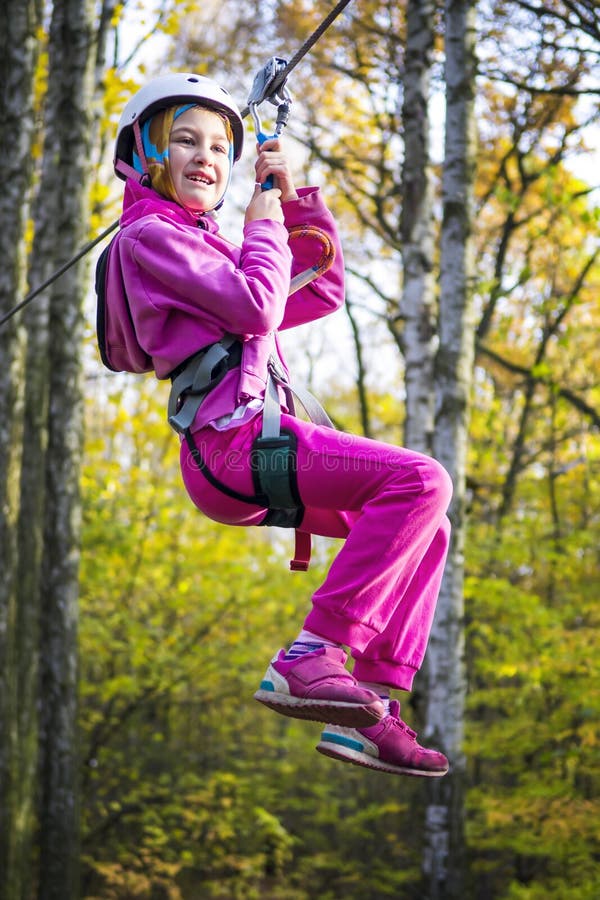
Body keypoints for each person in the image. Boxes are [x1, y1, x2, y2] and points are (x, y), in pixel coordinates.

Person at [102, 72, 453, 777]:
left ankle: (369, 707)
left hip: (253, 445)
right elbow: (260, 306)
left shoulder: (208, 253)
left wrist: (287, 195)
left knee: (429, 524)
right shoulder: (147, 237)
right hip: (231, 444)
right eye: (185, 140)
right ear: (146, 154)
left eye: (219, 147)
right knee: (421, 481)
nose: (206, 155)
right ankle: (312, 652)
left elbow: (315, 287)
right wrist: (261, 220)